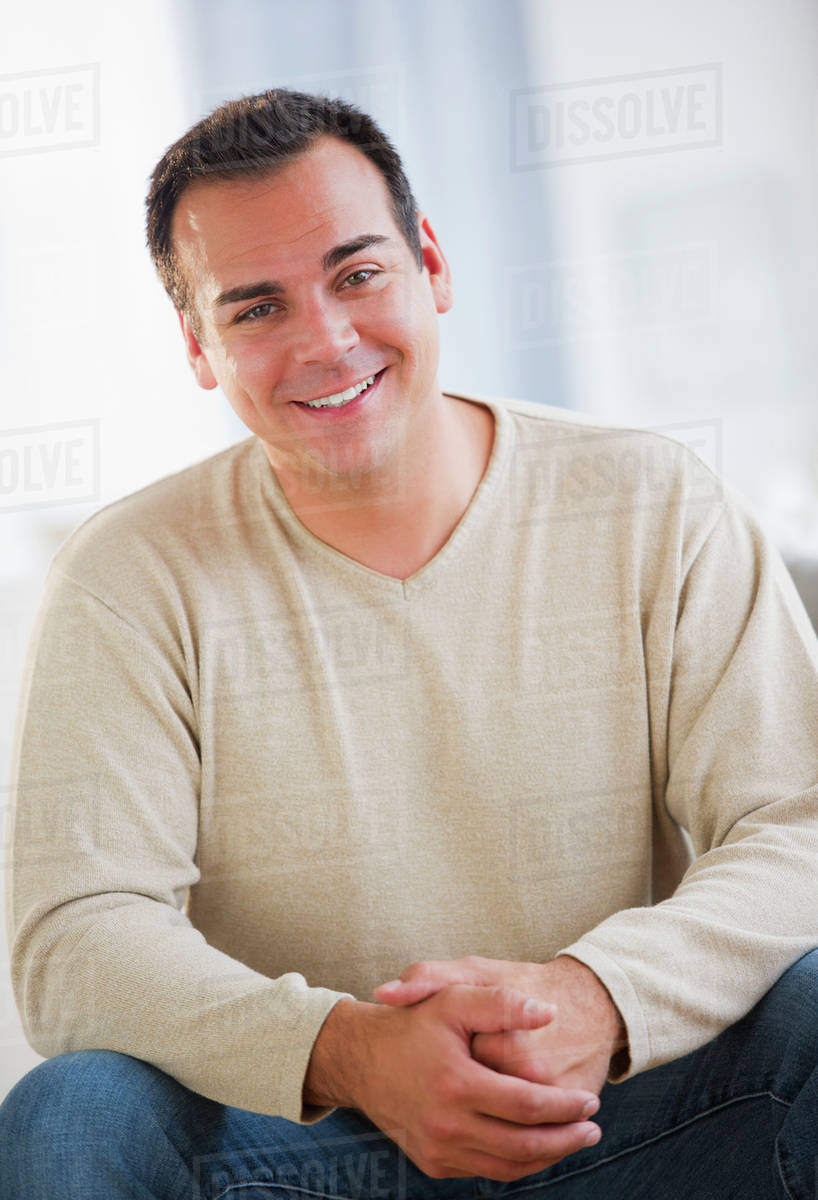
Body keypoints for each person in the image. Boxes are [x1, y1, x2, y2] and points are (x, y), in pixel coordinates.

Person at [1, 88, 817, 1199]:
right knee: (72, 1113)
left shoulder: (650, 501)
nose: (325, 341)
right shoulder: (127, 578)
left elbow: (795, 823)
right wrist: (346, 1051)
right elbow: (77, 938)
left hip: (622, 1115)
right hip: (303, 1156)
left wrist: (599, 996)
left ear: (428, 263)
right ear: (198, 346)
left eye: (356, 273)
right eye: (254, 309)